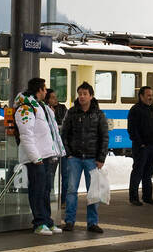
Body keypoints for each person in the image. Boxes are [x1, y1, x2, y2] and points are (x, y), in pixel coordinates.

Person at [14, 78, 64, 235]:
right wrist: (35, 158)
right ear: (40, 90)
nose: (46, 92)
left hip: (46, 155)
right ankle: (39, 223)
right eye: (44, 89)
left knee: (45, 190)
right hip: (36, 158)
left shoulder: (41, 106)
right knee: (37, 190)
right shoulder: (26, 108)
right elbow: (26, 135)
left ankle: (47, 221)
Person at [60, 82, 108, 233]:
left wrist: (101, 158)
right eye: (79, 93)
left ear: (91, 96)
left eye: (84, 94)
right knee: (71, 190)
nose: (81, 96)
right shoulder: (72, 113)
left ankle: (92, 223)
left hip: (92, 159)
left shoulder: (99, 115)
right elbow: (64, 134)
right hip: (74, 158)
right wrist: (68, 153)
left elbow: (104, 137)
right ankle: (69, 221)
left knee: (93, 192)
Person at [126, 85, 153, 205]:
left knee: (148, 172)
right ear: (141, 96)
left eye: (151, 95)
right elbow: (132, 129)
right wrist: (140, 143)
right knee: (138, 171)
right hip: (142, 147)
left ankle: (147, 197)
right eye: (148, 95)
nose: (150, 98)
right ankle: (134, 198)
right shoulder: (135, 110)